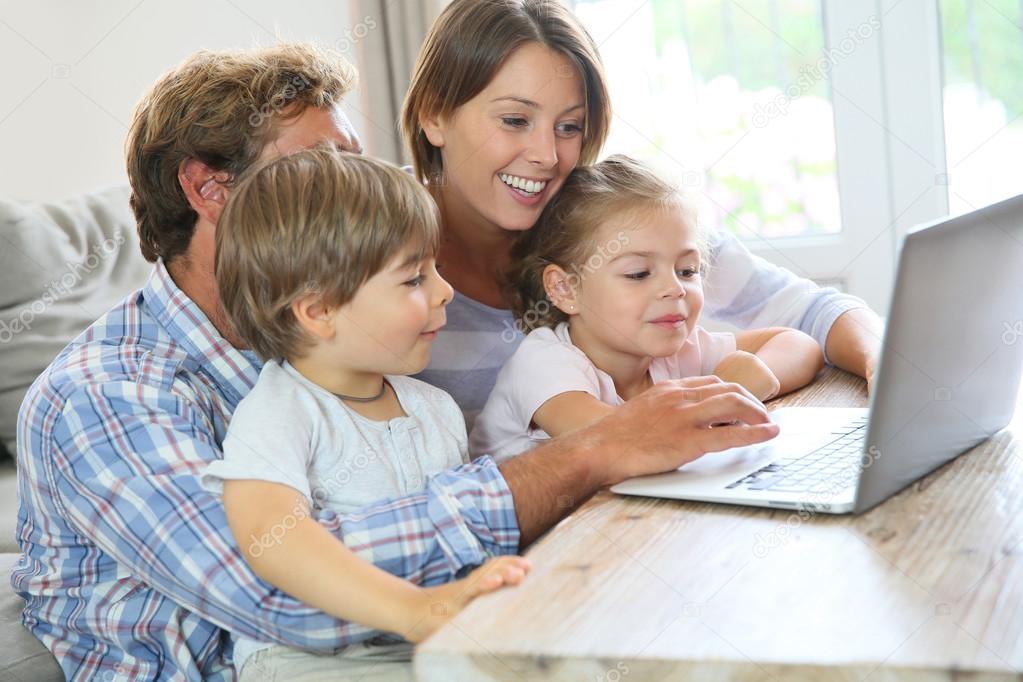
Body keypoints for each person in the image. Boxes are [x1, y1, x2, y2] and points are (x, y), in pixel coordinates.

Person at [13, 43, 776, 681]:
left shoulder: (358, 348)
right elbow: (274, 588)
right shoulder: (103, 394)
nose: (364, 192)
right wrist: (583, 455)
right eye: (321, 169)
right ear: (211, 189)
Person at [401, 0, 882, 431]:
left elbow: (819, 315)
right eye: (514, 120)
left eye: (569, 126)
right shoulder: (374, 254)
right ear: (434, 115)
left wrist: (884, 364)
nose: (548, 155)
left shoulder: (622, 226)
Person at [205, 148, 531, 677]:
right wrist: (412, 610)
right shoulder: (282, 410)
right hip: (310, 661)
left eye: (436, 269)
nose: (445, 291)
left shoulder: (435, 407)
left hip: (424, 640)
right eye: (413, 279)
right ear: (319, 312)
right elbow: (271, 535)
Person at [471, 155, 824, 460]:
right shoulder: (544, 363)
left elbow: (801, 344)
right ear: (565, 289)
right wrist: (717, 398)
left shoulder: (676, 350)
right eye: (639, 274)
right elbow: (621, 440)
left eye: (687, 271)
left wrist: (744, 380)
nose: (674, 289)